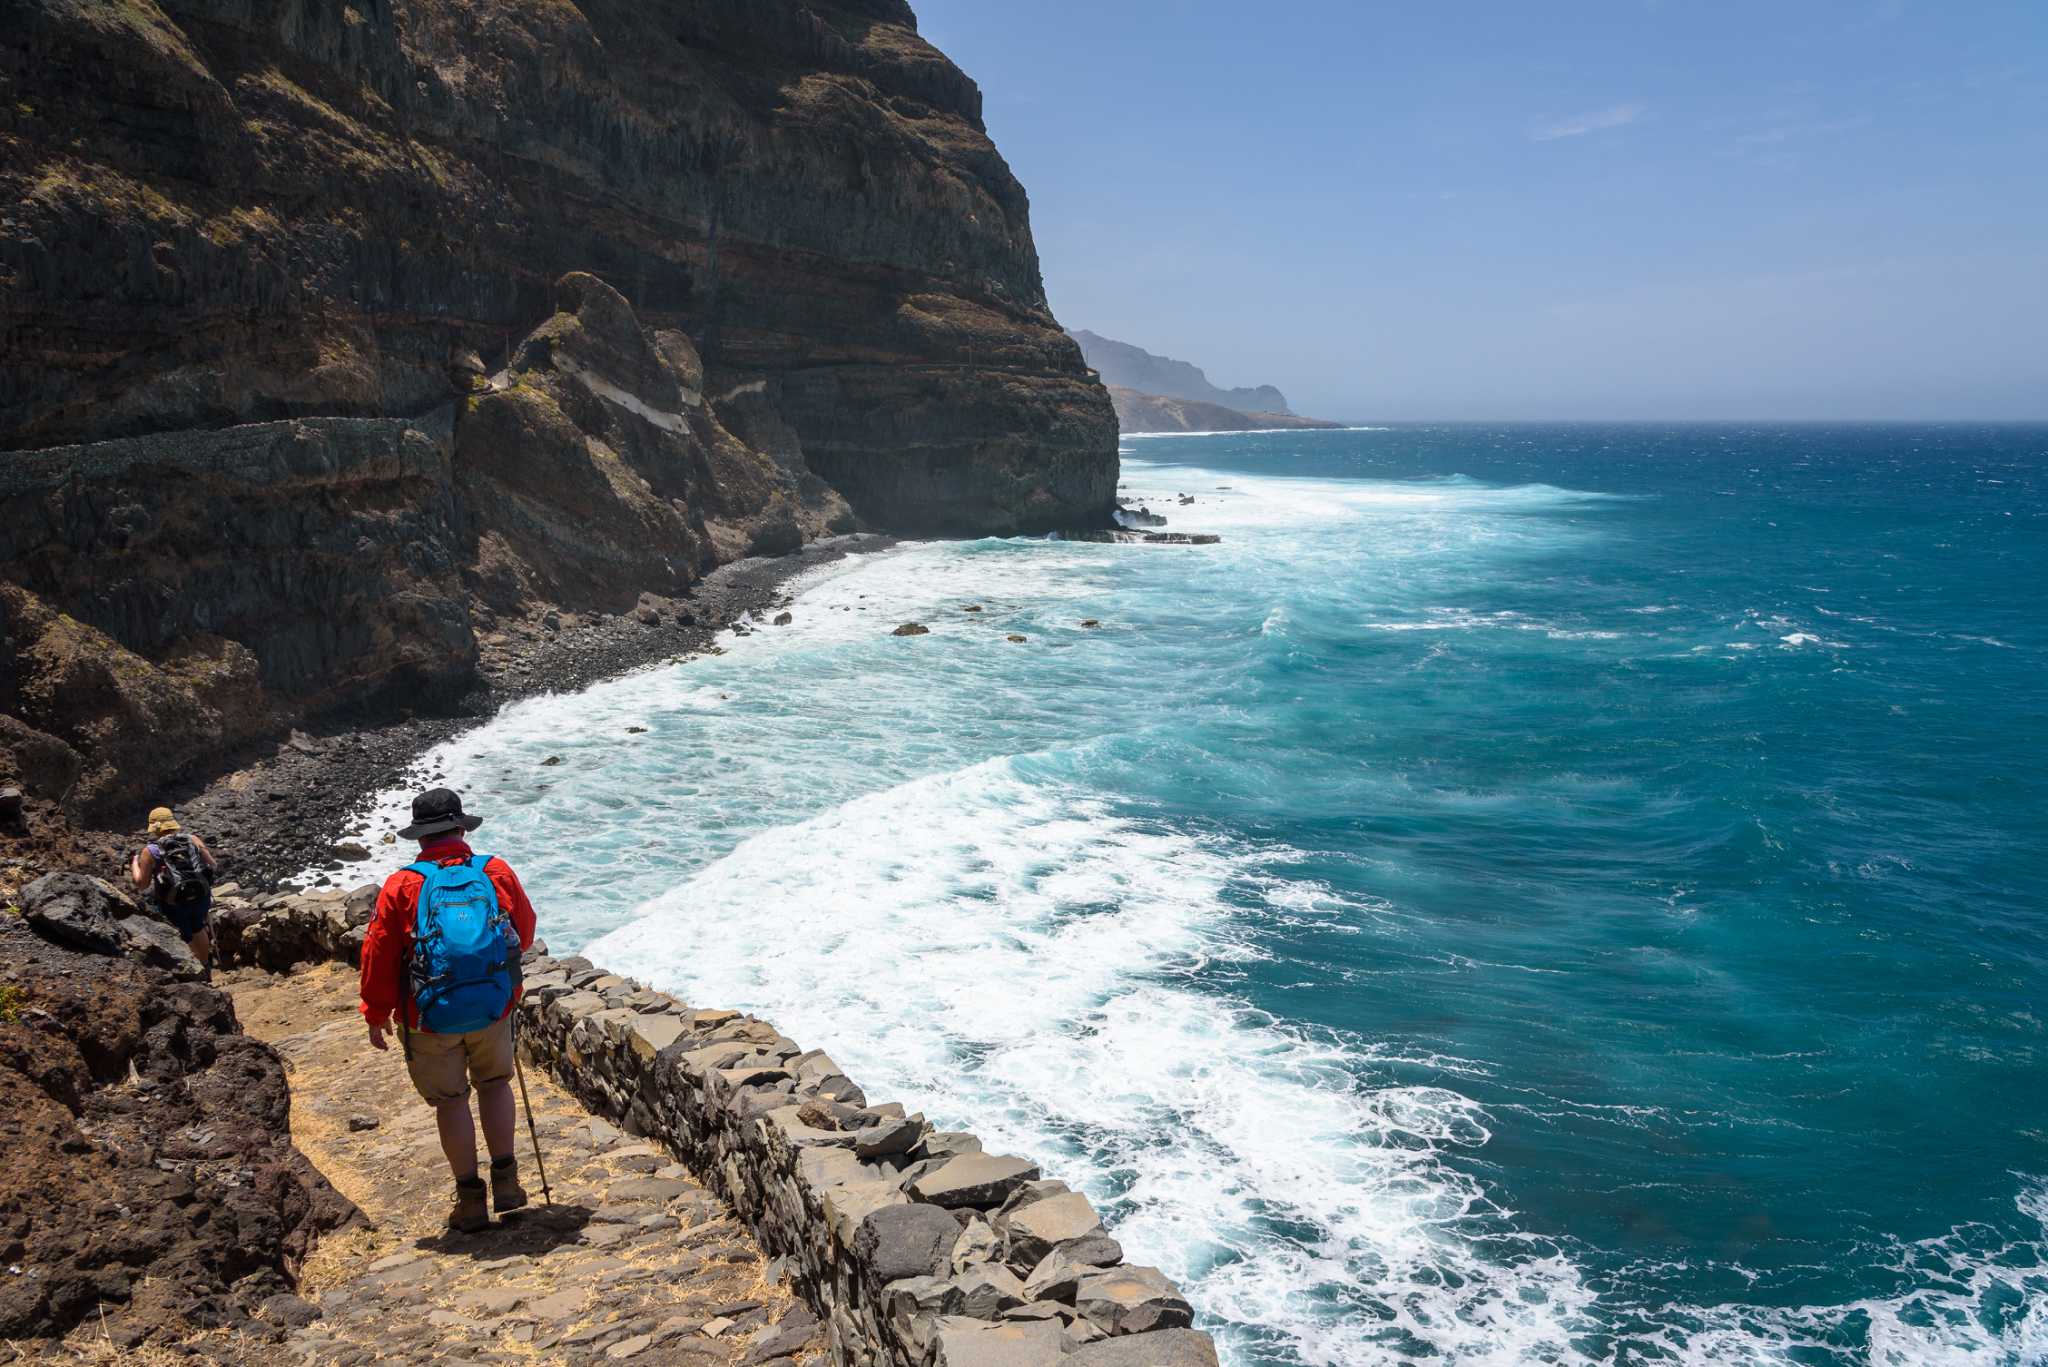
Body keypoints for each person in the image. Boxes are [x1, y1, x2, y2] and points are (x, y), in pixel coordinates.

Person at [359, 788, 538, 1233]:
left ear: (420, 837)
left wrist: (376, 1012)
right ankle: (508, 1182)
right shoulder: (493, 871)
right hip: (493, 1007)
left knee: (451, 1101)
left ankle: (471, 1202)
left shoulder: (402, 885)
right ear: (461, 829)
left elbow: (379, 954)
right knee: (495, 1085)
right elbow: (525, 933)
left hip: (428, 1016)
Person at [129, 806, 218, 974]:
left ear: (154, 827)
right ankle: (206, 965)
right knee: (198, 927)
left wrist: (134, 864)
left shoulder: (150, 851)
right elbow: (212, 864)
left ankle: (195, 973)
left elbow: (142, 884)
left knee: (184, 935)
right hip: (200, 895)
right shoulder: (192, 839)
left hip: (174, 902)